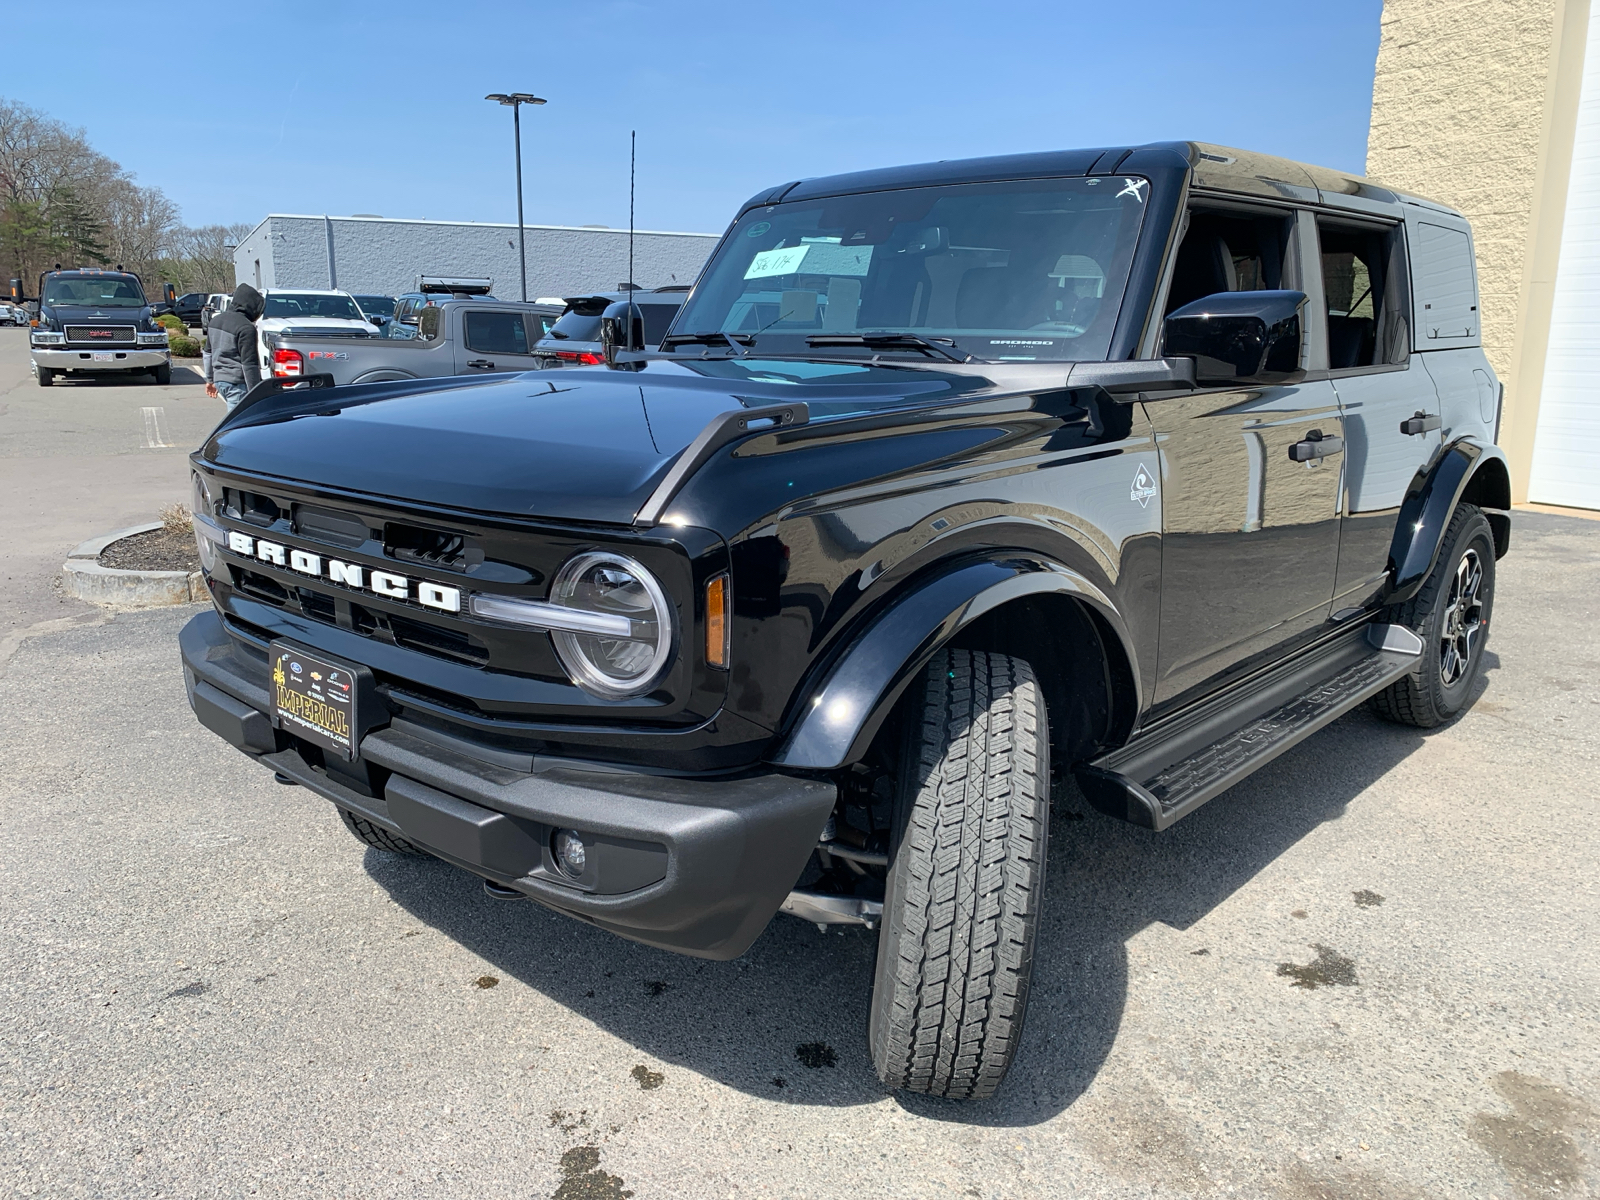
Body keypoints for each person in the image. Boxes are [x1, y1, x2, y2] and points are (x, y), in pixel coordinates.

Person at [204, 283, 264, 410]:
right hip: (237, 384)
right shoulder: (246, 328)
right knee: (238, 425)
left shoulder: (215, 320)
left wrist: (210, 380)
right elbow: (249, 364)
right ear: (251, 306)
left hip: (220, 381)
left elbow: (207, 354)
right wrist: (255, 392)